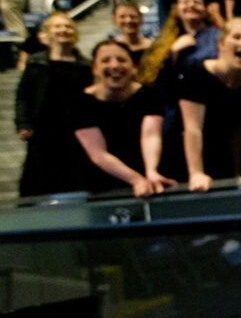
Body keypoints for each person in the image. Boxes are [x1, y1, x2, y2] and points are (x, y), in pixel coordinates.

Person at [73, 39, 173, 196]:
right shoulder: (81, 103)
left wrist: (151, 172)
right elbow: (98, 154)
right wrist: (136, 180)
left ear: (133, 67)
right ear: (94, 69)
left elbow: (150, 136)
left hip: (148, 174)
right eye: (105, 60)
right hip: (104, 182)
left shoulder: (149, 94)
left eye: (121, 60)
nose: (114, 66)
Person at [179, 17, 241, 191]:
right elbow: (192, 128)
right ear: (221, 44)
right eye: (237, 37)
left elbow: (240, 133)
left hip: (223, 162)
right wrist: (196, 172)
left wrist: (238, 174)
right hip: (188, 163)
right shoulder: (196, 73)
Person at [15, 13, 91, 196]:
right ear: (48, 33)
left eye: (68, 26)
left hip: (77, 134)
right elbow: (23, 97)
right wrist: (22, 124)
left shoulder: (85, 66)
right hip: (44, 133)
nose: (63, 30)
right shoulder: (35, 63)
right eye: (57, 26)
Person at [110, 1, 152, 66]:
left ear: (141, 19)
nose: (128, 20)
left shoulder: (151, 46)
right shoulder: (111, 49)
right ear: (114, 20)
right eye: (122, 17)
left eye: (132, 16)